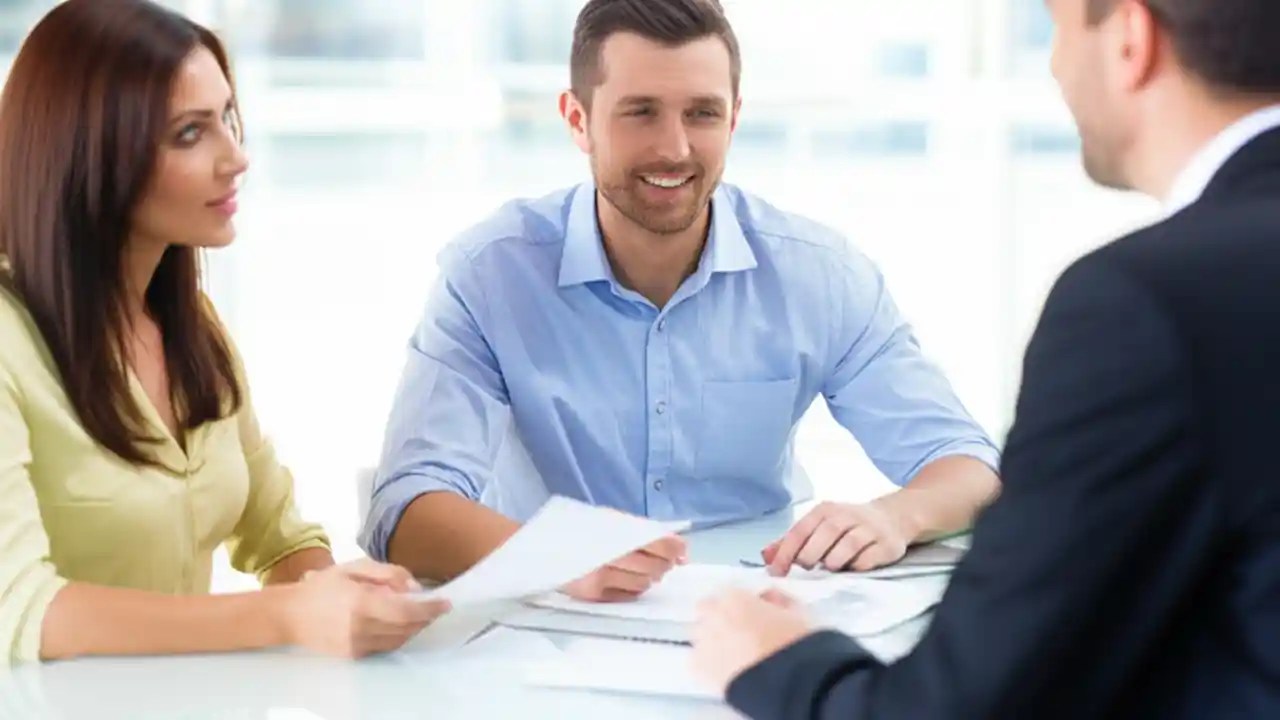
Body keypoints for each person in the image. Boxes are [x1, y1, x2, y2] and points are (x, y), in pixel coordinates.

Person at [690, 0, 1280, 717]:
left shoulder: (1142, 304)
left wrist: (779, 662)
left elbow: (964, 706)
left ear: (1130, 38)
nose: (1057, 67)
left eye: (1058, 29)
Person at [361, 0, 1001, 604]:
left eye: (702, 113)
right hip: (545, 619)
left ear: (735, 116)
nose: (674, 148)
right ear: (577, 120)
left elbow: (973, 467)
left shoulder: (821, 276)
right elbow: (405, 509)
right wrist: (554, 558)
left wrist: (893, 515)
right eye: (640, 112)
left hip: (757, 610)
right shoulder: (488, 276)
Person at [0, 0, 449, 665]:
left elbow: (280, 534)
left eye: (228, 119)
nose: (236, 157)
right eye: (190, 133)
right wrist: (290, 613)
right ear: (92, 155)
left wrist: (345, 595)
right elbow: (25, 612)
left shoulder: (192, 329)